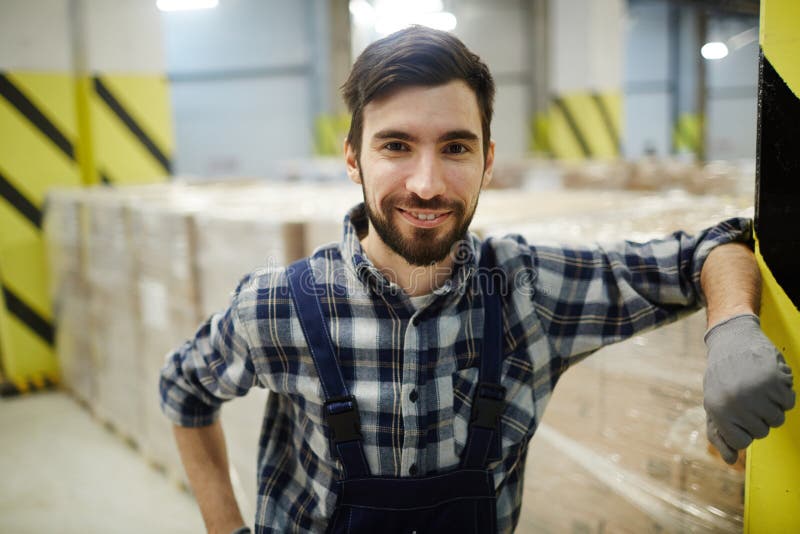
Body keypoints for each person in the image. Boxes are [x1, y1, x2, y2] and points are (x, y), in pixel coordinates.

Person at [160, 26, 795, 534]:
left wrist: (732, 325)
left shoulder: (533, 292)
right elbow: (185, 390)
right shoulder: (277, 306)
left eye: (456, 148)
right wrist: (225, 526)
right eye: (396, 146)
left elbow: (714, 245)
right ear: (352, 155)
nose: (428, 184)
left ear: (489, 159)